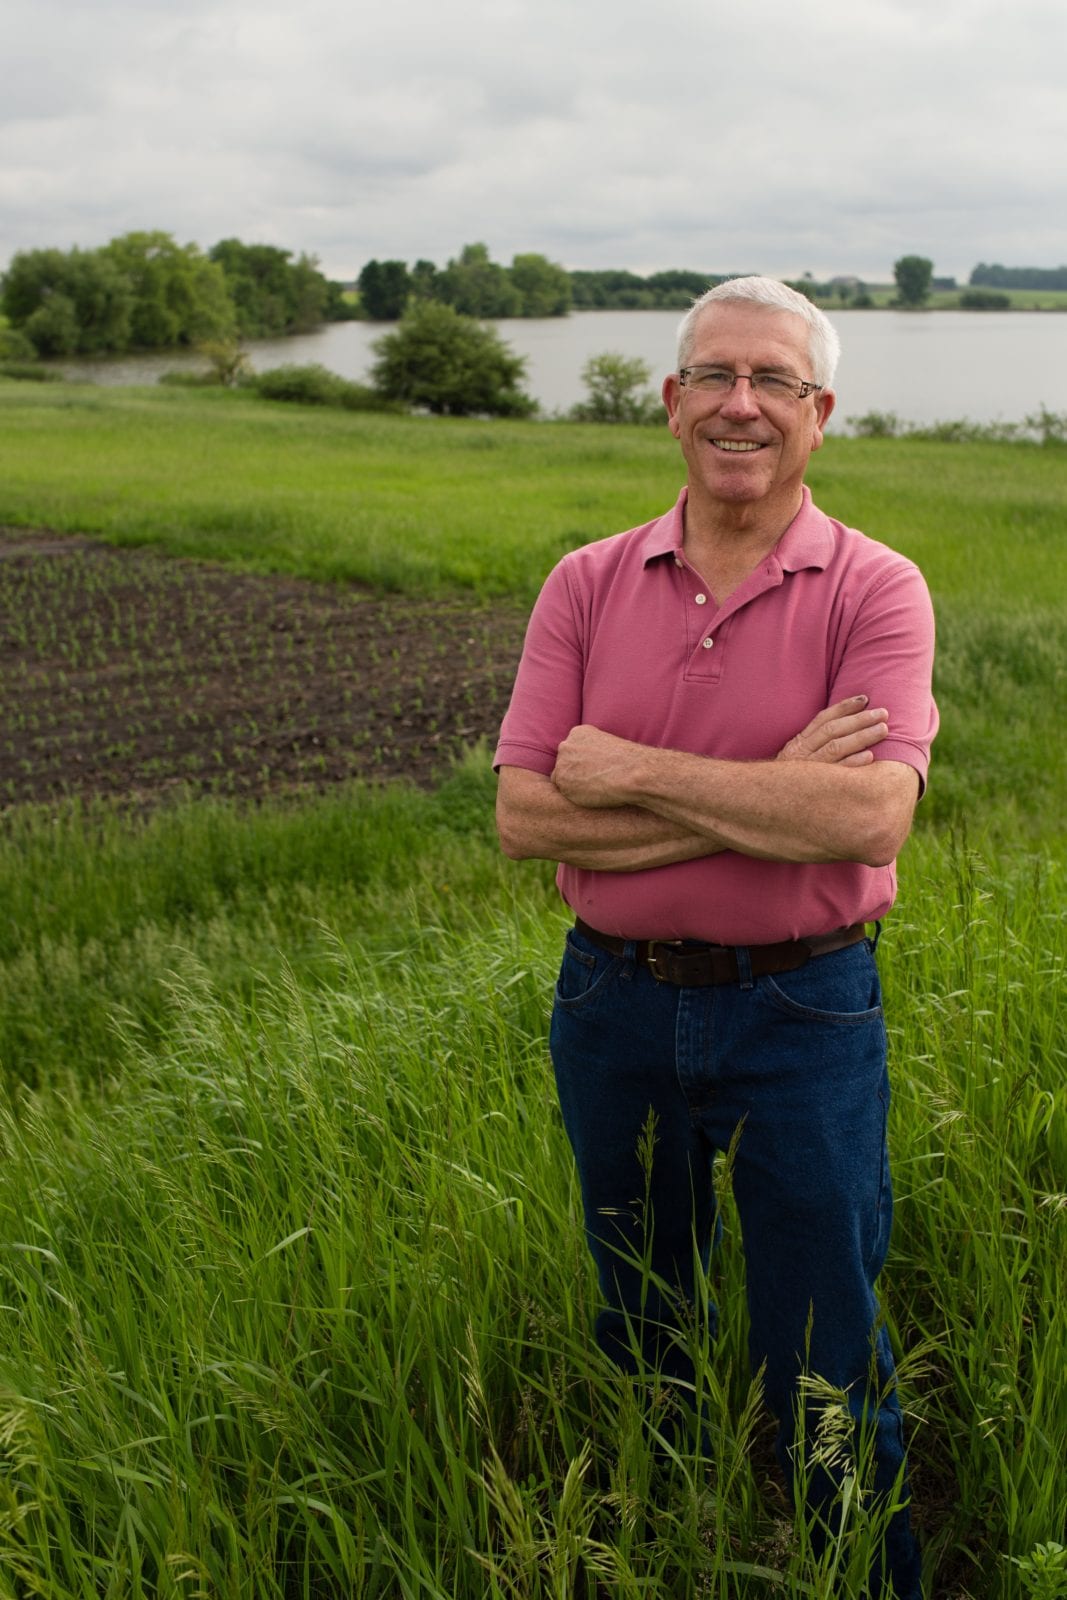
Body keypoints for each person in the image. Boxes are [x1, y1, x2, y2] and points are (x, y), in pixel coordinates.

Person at [493, 276, 937, 1598]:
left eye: (777, 383)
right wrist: (765, 787)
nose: (743, 405)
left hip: (804, 1015)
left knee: (825, 1348)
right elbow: (524, 816)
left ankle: (865, 1578)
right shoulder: (584, 583)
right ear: (673, 400)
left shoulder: (877, 588)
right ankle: (673, 1551)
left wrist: (629, 771)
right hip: (611, 1010)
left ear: (822, 415)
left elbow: (864, 817)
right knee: (642, 1316)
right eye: (717, 377)